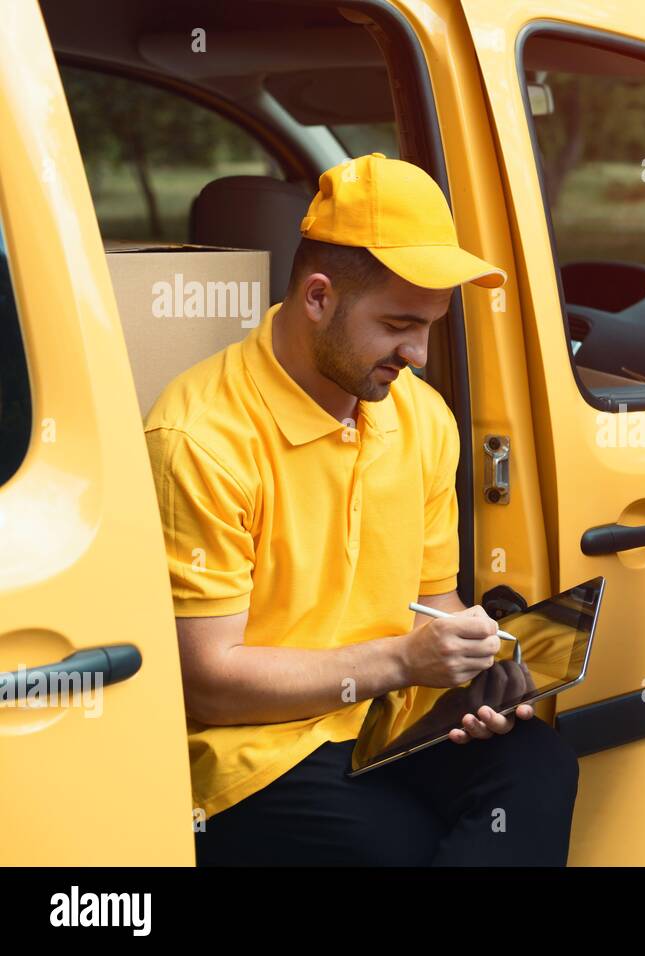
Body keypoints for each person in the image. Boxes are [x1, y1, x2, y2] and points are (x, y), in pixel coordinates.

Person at [145, 153, 579, 866]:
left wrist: (475, 670)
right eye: (399, 325)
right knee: (402, 845)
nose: (418, 352)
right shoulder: (199, 439)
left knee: (540, 767)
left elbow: (430, 604)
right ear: (318, 297)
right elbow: (211, 686)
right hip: (255, 750)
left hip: (387, 717)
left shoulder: (422, 417)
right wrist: (402, 660)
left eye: (432, 325)